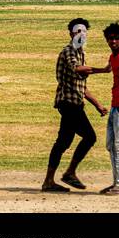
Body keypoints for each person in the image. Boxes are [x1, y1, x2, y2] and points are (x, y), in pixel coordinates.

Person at [43, 18, 105, 193]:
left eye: (84, 31)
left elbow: (82, 88)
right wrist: (102, 70)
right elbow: (76, 69)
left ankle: (49, 181)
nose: (81, 34)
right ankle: (69, 172)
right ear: (71, 33)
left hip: (74, 103)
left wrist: (98, 105)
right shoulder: (69, 51)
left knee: (63, 142)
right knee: (90, 137)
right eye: (77, 31)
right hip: (68, 103)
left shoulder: (80, 53)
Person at [88, 22, 119, 194]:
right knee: (111, 144)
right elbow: (107, 70)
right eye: (110, 38)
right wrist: (86, 70)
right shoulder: (113, 57)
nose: (113, 41)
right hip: (116, 105)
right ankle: (116, 182)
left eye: (116, 38)